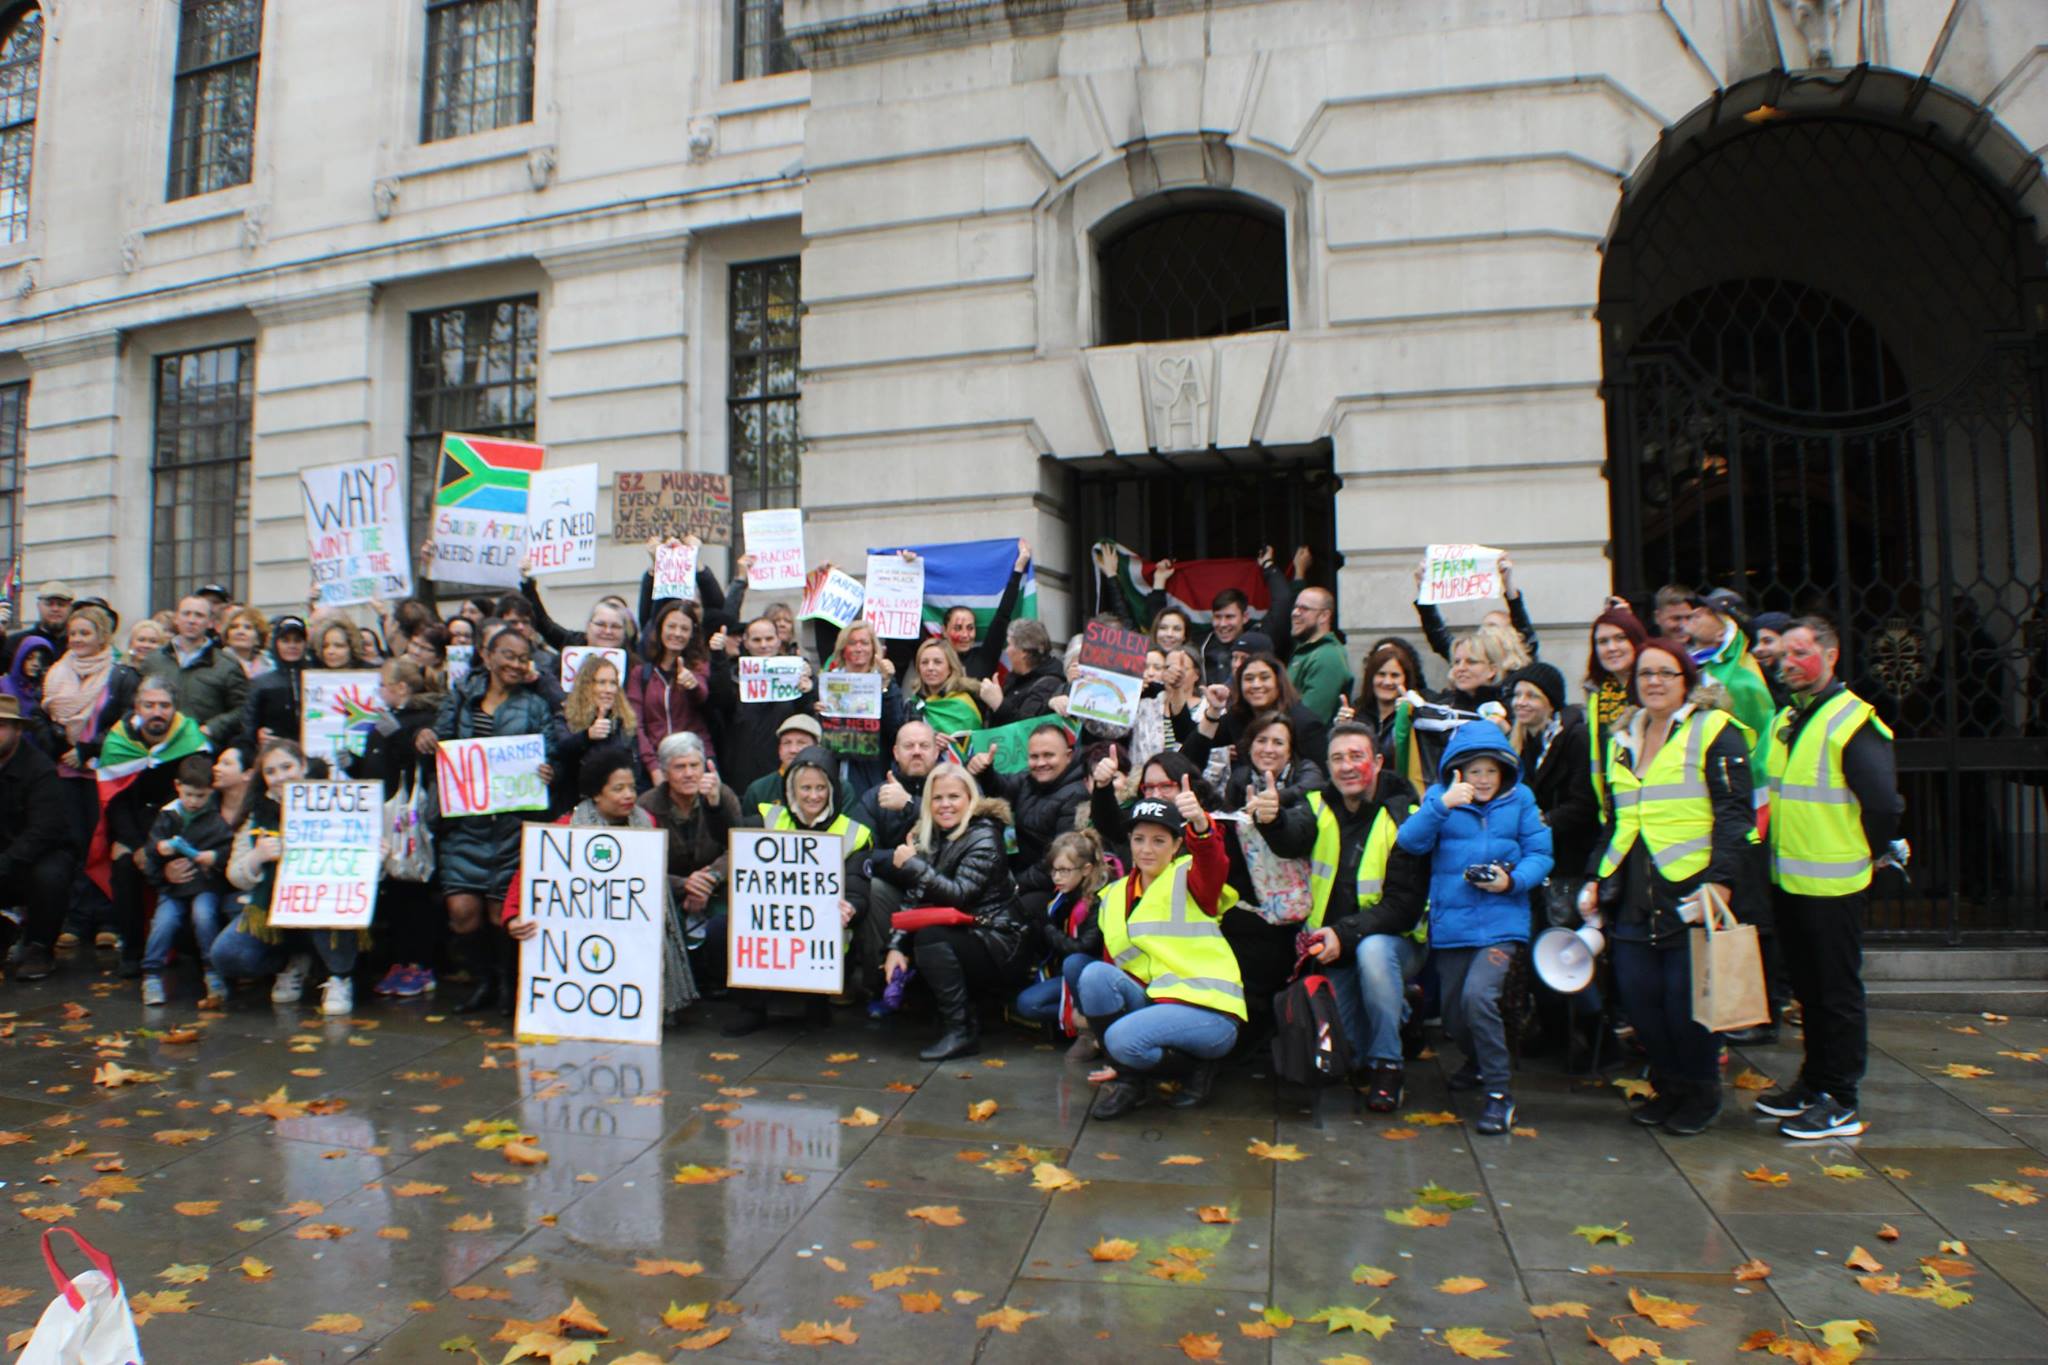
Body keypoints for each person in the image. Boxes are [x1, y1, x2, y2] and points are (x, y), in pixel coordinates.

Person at [1580, 639, 1755, 1136]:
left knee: (1687, 1004)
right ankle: (1669, 1086)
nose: (1653, 682)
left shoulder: (1714, 732)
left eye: (1665, 673)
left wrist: (1721, 881)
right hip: (1634, 888)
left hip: (1690, 887)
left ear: (1687, 681)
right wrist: (1597, 876)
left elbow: (1733, 814)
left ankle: (1700, 1092)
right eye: (1645, 674)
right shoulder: (1624, 737)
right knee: (1642, 1001)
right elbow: (1614, 818)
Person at [1753, 618, 1901, 1141]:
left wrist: (1871, 855)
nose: (1787, 663)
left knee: (1837, 994)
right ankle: (1813, 1083)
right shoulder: (1785, 718)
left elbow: (1883, 804)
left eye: (1800, 653)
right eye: (1783, 656)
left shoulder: (1852, 720)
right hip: (1789, 878)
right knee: (1810, 993)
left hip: (1833, 883)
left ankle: (1841, 1099)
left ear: (1831, 656)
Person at [1395, 720, 1553, 1135]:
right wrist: (1441, 805)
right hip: (1453, 927)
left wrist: (1512, 880)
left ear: (1504, 772)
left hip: (1502, 925)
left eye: (1490, 771)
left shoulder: (1520, 801)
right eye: (1474, 771)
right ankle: (1478, 1062)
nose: (1483, 780)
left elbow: (1541, 852)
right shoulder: (1439, 799)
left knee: (1479, 997)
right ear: (1457, 771)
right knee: (1454, 1014)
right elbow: (1409, 842)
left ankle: (1499, 1093)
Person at [1078, 786, 1241, 1118]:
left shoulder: (1188, 875)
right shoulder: (1117, 892)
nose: (1146, 849)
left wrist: (1200, 825)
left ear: (1177, 845)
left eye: (1158, 841)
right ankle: (1130, 1081)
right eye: (1139, 839)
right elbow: (1115, 967)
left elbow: (1212, 862)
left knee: (1122, 1040)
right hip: (1159, 1001)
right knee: (1093, 975)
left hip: (1209, 1011)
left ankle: (1198, 1066)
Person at [503, 755, 699, 1023]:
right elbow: (528, 873)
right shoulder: (566, 827)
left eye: (632, 787)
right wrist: (513, 915)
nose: (629, 795)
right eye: (618, 789)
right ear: (597, 793)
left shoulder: (647, 823)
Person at [1300, 722, 1429, 1111]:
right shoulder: (1320, 806)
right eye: (1337, 758)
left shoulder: (1406, 816)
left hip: (1394, 942)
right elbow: (1288, 826)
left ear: (1377, 761)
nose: (1347, 767)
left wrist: (1345, 933)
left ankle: (1388, 1065)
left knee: (1373, 954)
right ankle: (1402, 1013)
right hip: (1338, 947)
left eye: (1356, 756)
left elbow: (1403, 907)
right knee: (1348, 1059)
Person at [435, 625, 554, 1015]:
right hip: (465, 823)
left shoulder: (534, 706)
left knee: (500, 911)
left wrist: (547, 768)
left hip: (510, 825)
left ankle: (506, 986)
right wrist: (423, 737)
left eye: (524, 659)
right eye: (509, 656)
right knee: (462, 912)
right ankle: (481, 979)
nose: (517, 665)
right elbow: (439, 738)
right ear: (487, 656)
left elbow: (549, 748)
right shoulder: (462, 697)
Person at [876, 763, 1029, 1060]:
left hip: (999, 940)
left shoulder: (984, 837)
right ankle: (963, 1015)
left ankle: (960, 1031)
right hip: (968, 934)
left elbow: (958, 895)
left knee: (930, 938)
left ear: (970, 799)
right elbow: (913, 898)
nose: (945, 805)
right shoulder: (931, 837)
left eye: (953, 797)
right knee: (911, 945)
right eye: (937, 798)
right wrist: (895, 947)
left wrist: (912, 866)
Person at [211, 740, 362, 1015]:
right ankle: (290, 963)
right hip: (271, 911)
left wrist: (374, 856)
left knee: (330, 913)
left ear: (303, 766)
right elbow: (235, 875)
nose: (280, 776)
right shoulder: (257, 813)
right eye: (271, 771)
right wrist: (257, 857)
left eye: (287, 767)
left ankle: (340, 977)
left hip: (324, 905)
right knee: (226, 955)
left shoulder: (338, 801)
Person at [729, 743, 869, 1037]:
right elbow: (727, 834)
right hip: (772, 923)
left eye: (821, 788)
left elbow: (858, 887)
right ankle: (752, 1007)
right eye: (806, 788)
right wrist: (717, 802)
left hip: (825, 927)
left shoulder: (853, 833)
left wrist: (852, 908)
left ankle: (817, 1004)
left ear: (832, 789)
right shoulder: (769, 819)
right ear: (792, 789)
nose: (814, 796)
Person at [95, 676, 212, 977]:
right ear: (137, 707)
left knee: (186, 867)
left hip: (177, 828)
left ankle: (192, 949)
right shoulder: (119, 741)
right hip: (133, 827)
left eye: (164, 705)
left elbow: (193, 799)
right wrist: (135, 846)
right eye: (149, 705)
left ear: (175, 709)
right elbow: (115, 800)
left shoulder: (191, 740)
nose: (157, 712)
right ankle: (132, 950)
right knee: (123, 866)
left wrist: (161, 846)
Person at [350, 658, 443, 999]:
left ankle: (420, 962)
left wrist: (398, 734)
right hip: (381, 819)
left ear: (401, 688)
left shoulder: (422, 720)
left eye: (384, 685)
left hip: (408, 821)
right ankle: (400, 960)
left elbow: (419, 759)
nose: (380, 692)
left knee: (414, 892)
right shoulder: (379, 723)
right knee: (394, 894)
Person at [638, 731, 742, 993]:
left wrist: (710, 879)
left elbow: (739, 847)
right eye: (679, 767)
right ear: (664, 772)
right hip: (668, 890)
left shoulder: (722, 794)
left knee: (725, 924)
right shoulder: (646, 805)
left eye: (694, 765)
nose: (688, 774)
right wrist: (685, 885)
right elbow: (641, 864)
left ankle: (719, 983)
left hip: (717, 886)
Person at [137, 752, 235, 1007]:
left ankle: (212, 971)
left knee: (204, 916)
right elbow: (151, 850)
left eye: (200, 796)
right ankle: (152, 975)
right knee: (163, 922)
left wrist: (213, 857)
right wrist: (160, 850)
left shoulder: (215, 819)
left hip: (204, 885)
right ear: (178, 787)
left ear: (210, 792)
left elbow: (227, 849)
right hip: (172, 887)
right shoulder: (168, 816)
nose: (193, 802)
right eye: (189, 794)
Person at [0, 692, 81, 981]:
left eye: (2, 726)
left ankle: (39, 946)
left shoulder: (39, 769)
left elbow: (45, 829)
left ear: (18, 730)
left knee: (50, 874)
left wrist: (7, 861)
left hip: (36, 855)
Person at [969, 721, 1087, 913]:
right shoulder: (1028, 780)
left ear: (1068, 756)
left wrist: (1015, 884)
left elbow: (1061, 857)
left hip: (1055, 885)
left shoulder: (1077, 795)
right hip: (1021, 876)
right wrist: (985, 771)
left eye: (1048, 755)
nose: (1040, 763)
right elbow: (1002, 788)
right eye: (1034, 756)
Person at [1011, 828, 1109, 1057]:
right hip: (1067, 977)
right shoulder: (1062, 897)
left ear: (1086, 869)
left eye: (1064, 871)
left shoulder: (1099, 898)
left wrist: (1046, 927)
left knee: (1074, 962)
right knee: (1027, 1004)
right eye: (1054, 870)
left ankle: (1093, 1025)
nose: (1056, 877)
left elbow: (1083, 948)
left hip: (1094, 974)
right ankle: (1080, 1018)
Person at [708, 615, 817, 797]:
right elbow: (719, 700)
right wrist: (718, 657)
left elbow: (807, 716)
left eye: (769, 639)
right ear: (746, 643)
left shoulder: (797, 673)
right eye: (757, 640)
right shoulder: (734, 675)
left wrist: (807, 691)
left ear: (778, 640)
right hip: (741, 772)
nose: (764, 645)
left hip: (785, 772)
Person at [1180, 651, 1328, 780]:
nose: (1256, 685)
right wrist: (1214, 711)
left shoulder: (1305, 723)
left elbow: (1320, 779)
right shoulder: (1238, 718)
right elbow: (1188, 758)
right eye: (1249, 679)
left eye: (1264, 678)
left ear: (1278, 682)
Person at [138, 595, 249, 748]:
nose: (192, 620)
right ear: (176, 619)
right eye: (186, 613)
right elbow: (136, 702)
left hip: (201, 749)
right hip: (156, 747)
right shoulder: (153, 661)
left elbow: (242, 708)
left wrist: (211, 728)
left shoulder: (226, 665)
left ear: (210, 622)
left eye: (199, 615)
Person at [546, 654, 639, 815]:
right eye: (601, 682)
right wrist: (587, 736)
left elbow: (634, 765)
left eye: (613, 683)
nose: (608, 690)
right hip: (574, 806)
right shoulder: (566, 717)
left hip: (615, 810)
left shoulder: (626, 722)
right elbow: (560, 749)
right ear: (586, 686)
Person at [1684, 589, 1775, 751]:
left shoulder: (1743, 680)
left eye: (1710, 612)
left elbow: (1759, 743)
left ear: (1723, 633)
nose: (1696, 611)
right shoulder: (1690, 663)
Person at [632, 598, 715, 775]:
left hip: (695, 761)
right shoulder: (641, 674)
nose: (677, 633)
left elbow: (703, 694)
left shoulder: (700, 667)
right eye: (671, 626)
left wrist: (692, 685)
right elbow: (636, 724)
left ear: (692, 633)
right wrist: (653, 767)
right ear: (660, 628)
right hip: (657, 763)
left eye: (684, 629)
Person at [1414, 553, 1540, 662]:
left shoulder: (1524, 663)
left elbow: (1525, 633)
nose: (1485, 632)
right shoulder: (1470, 659)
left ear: (1513, 635)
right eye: (1483, 627)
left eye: (1492, 626)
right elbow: (1439, 638)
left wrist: (1508, 584)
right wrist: (1424, 591)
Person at [741, 714, 857, 816]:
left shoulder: (842, 790)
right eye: (787, 743)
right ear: (779, 749)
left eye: (801, 743)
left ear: (817, 748)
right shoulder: (758, 790)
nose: (793, 749)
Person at [240, 616, 311, 751]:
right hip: (275, 754)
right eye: (285, 640)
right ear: (276, 643)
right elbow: (248, 725)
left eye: (298, 640)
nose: (292, 646)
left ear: (305, 644)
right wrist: (257, 736)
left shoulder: (315, 678)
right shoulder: (261, 683)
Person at [981, 619, 1067, 725]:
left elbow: (1028, 728)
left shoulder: (1048, 684)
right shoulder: (1016, 678)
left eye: (1009, 644)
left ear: (1024, 652)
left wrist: (999, 704)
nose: (1006, 650)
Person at [1286, 586, 1351, 722]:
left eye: (1304, 609)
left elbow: (1309, 718)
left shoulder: (1327, 657)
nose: (1295, 613)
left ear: (1324, 616)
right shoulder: (1306, 651)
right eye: (1295, 607)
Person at [905, 636, 984, 739]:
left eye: (937, 662)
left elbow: (973, 748)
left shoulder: (963, 705)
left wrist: (950, 747)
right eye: (924, 662)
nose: (930, 668)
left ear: (950, 668)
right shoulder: (913, 704)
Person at [0, 631, 59, 757]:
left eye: (41, 659)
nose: (36, 664)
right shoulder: (4, 684)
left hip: (38, 756)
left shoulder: (48, 689)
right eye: (30, 658)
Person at [219, 607, 271, 680]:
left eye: (248, 627)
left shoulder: (269, 666)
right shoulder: (216, 663)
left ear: (259, 638)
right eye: (234, 627)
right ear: (227, 635)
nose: (240, 632)